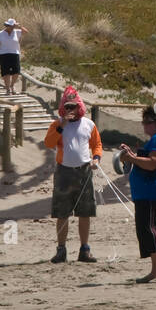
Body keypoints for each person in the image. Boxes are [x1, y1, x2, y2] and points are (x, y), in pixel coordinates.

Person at [44, 86, 102, 264]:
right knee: (62, 213)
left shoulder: (88, 124)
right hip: (64, 171)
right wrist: (61, 127)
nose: (70, 110)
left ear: (79, 106)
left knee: (85, 212)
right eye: (67, 106)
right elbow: (48, 143)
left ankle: (85, 249)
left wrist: (96, 159)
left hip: (84, 171)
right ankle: (61, 250)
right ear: (63, 107)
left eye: (73, 106)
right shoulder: (57, 124)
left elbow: (97, 144)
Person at [119, 106, 156, 283]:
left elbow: (153, 163)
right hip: (145, 192)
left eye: (148, 122)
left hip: (152, 191)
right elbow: (147, 161)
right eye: (143, 122)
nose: (144, 125)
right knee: (145, 228)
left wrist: (131, 158)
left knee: (149, 228)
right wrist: (131, 155)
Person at [0, 17, 28, 95]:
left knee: (16, 72)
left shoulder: (17, 32)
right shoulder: (1, 33)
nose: (12, 28)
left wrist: (18, 26)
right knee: (6, 73)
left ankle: (12, 85)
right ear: (7, 25)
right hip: (3, 54)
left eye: (13, 26)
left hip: (15, 53)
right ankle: (8, 89)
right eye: (10, 26)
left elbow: (26, 31)